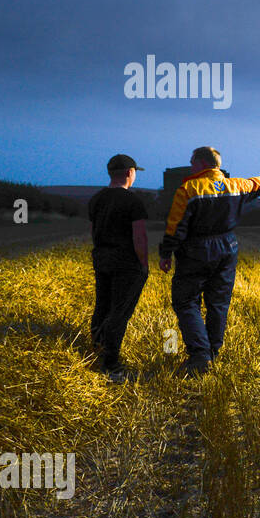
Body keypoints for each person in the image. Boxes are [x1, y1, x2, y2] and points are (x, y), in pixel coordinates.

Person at [158, 146, 260, 376]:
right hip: (228, 248)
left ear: (201, 163)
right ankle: (213, 352)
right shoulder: (236, 186)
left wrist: (166, 253)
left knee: (186, 302)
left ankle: (199, 355)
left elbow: (175, 226)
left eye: (193, 162)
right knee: (219, 302)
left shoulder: (189, 189)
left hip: (196, 250)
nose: (191, 166)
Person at [88, 154, 150, 382]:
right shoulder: (132, 202)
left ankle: (96, 349)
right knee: (119, 312)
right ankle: (110, 364)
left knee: (102, 305)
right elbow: (140, 237)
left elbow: (94, 231)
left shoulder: (96, 199)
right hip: (126, 263)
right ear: (129, 173)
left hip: (102, 257)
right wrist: (143, 264)